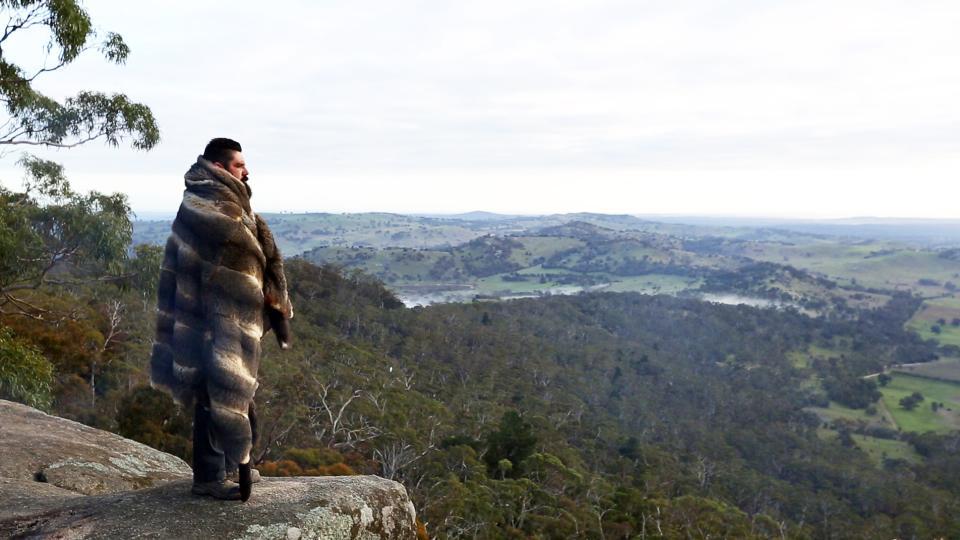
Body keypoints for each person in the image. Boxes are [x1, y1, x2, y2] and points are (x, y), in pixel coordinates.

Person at [150, 138, 293, 501]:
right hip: (209, 320)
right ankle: (210, 476)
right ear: (218, 167)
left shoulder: (227, 202)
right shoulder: (208, 207)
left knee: (229, 388)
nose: (247, 171)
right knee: (213, 390)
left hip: (224, 318)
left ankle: (228, 465)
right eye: (238, 165)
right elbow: (233, 263)